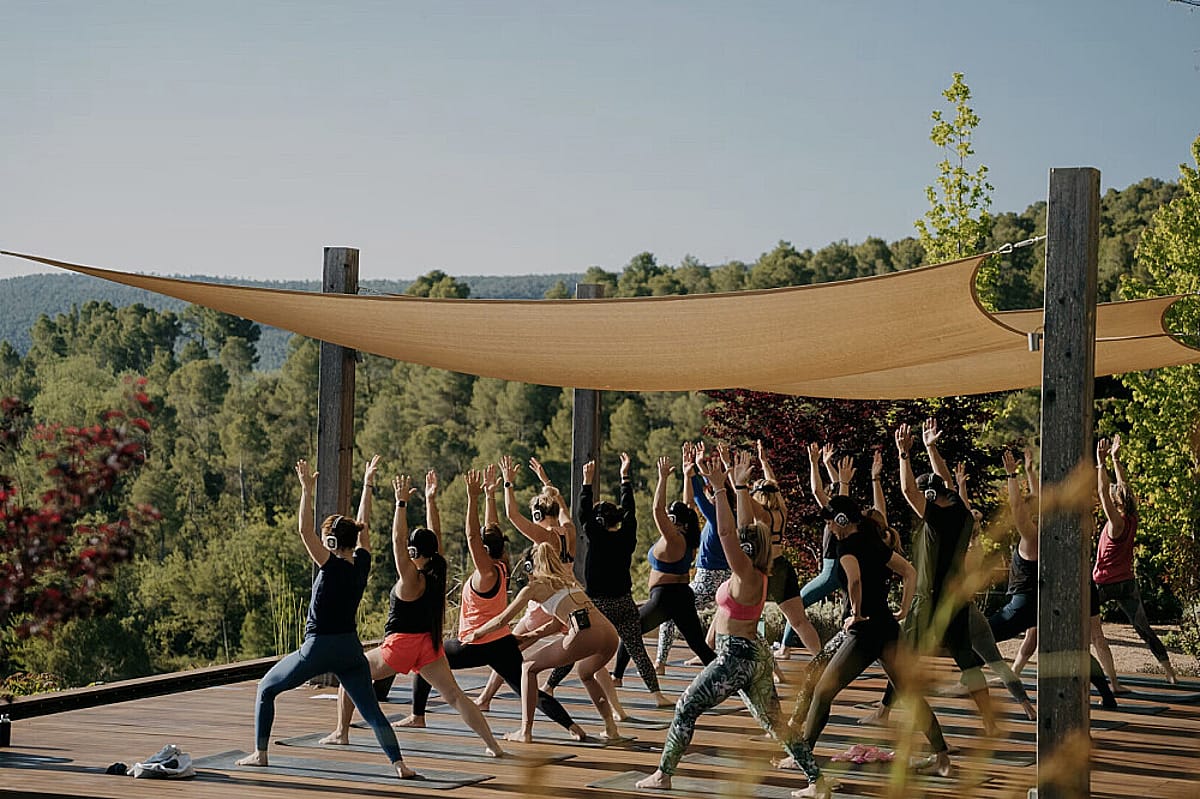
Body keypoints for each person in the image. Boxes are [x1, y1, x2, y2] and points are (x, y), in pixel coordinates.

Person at [637, 450, 826, 797]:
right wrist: (733, 487)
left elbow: (726, 532)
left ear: (747, 548)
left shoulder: (746, 575)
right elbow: (736, 530)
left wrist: (725, 489)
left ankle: (663, 774)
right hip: (753, 657)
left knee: (685, 708)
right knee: (776, 725)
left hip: (734, 659)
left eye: (742, 543)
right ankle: (816, 782)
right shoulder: (758, 572)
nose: (735, 543)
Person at [235, 457, 411, 777]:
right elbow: (363, 525)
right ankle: (399, 764)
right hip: (349, 649)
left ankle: (260, 754)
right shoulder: (361, 566)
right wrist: (367, 484)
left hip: (318, 648)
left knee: (265, 689)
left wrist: (306, 489)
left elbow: (304, 529)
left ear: (330, 542)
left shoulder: (328, 565)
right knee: (371, 711)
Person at [317, 473, 504, 758]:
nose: (405, 550)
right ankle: (493, 746)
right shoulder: (434, 571)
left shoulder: (410, 577)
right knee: (455, 696)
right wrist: (430, 500)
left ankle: (341, 732)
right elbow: (435, 536)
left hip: (401, 646)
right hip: (429, 646)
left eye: (410, 548)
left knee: (350, 673)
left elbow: (396, 538)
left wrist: (400, 504)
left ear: (415, 551)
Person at [392, 466, 586, 739]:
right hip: (501, 643)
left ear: (483, 550)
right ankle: (573, 727)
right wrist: (490, 495)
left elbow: (473, 535)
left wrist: (473, 497)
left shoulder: (485, 572)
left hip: (475, 643)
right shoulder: (503, 565)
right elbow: (490, 530)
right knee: (527, 689)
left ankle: (417, 716)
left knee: (425, 655)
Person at [799, 494, 953, 780]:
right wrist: (903, 609)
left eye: (831, 521)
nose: (830, 527)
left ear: (843, 520)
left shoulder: (846, 545)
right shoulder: (875, 542)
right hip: (888, 629)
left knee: (822, 692)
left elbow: (854, 579)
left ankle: (803, 756)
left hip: (864, 632)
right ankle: (942, 756)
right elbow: (909, 572)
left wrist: (856, 612)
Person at [861, 419, 996, 734]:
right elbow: (945, 481)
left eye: (925, 497)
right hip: (956, 598)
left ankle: (883, 712)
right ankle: (990, 721)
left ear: (931, 497)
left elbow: (909, 489)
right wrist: (931, 447)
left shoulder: (935, 519)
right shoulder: (961, 511)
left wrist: (904, 454)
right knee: (967, 660)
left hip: (930, 597)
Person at [464, 540, 623, 742]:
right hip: (609, 633)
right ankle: (611, 728)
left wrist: (477, 633)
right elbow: (556, 625)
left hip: (585, 633)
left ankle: (525, 731)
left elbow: (502, 619)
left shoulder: (534, 587)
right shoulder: (567, 581)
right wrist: (528, 636)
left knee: (528, 668)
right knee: (586, 673)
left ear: (530, 566)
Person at [544, 454, 670, 706]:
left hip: (597, 604)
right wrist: (625, 478)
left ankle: (549, 686)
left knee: (575, 642)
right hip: (623, 602)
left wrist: (587, 483)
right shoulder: (627, 538)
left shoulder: (596, 536)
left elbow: (582, 514)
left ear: (599, 522)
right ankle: (657, 695)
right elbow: (631, 511)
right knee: (637, 649)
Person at [612, 455, 716, 681]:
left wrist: (662, 478)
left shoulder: (673, 538)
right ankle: (728, 676)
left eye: (671, 518)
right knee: (698, 644)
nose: (667, 520)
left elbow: (656, 509)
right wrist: (687, 476)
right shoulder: (687, 534)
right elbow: (689, 506)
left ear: (677, 522)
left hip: (665, 597)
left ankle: (617, 677)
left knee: (631, 631)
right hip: (680, 595)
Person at [1093, 434, 1179, 684]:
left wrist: (1101, 463)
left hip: (1103, 584)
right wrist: (1116, 459)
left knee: (1086, 629)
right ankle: (1170, 674)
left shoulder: (1116, 523)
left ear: (1116, 502)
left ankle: (1109, 680)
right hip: (1127, 583)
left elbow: (1102, 491)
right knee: (1145, 629)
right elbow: (1123, 489)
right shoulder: (1132, 517)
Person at [655, 441, 731, 672]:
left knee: (669, 615)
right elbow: (690, 507)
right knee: (720, 615)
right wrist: (689, 474)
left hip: (710, 578)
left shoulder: (718, 517)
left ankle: (660, 661)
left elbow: (696, 499)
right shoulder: (729, 515)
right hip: (725, 577)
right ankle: (710, 654)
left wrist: (697, 470)